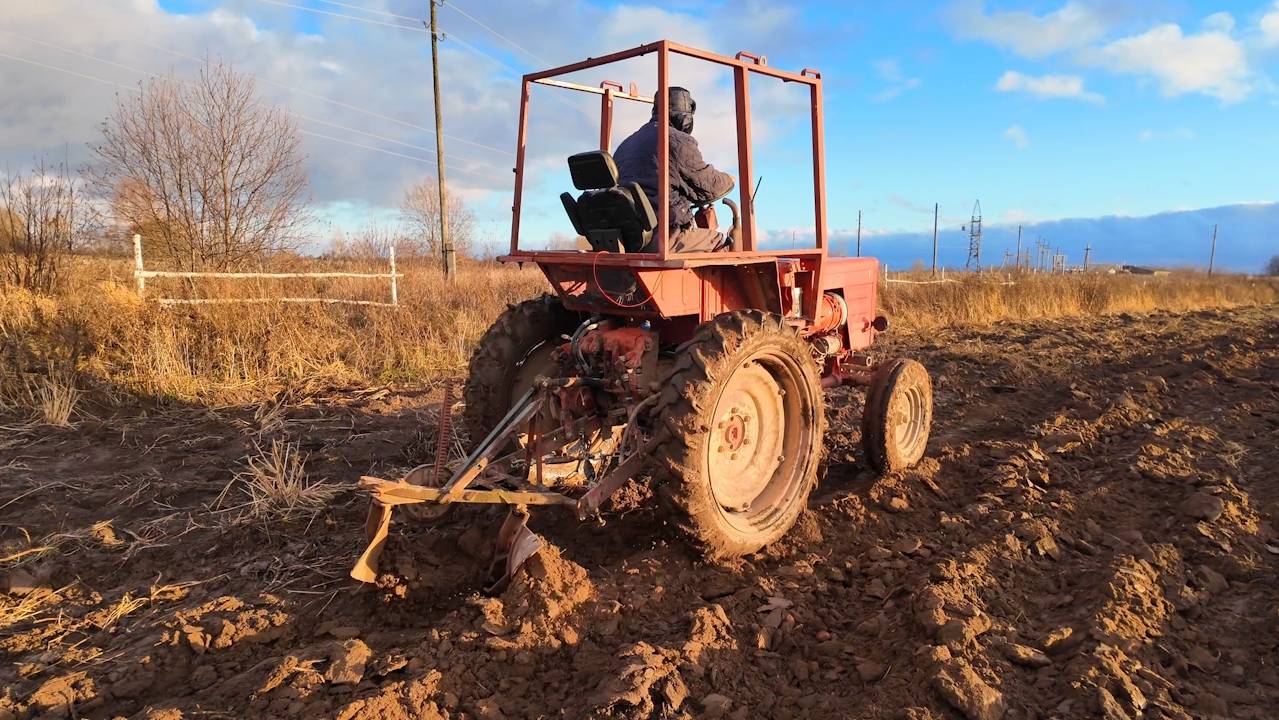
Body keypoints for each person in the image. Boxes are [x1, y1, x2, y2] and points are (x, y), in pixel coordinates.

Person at [614, 87, 735, 252]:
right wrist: (729, 179)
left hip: (629, 237)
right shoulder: (677, 140)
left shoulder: (626, 143)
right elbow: (708, 184)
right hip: (662, 236)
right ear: (685, 119)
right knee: (720, 240)